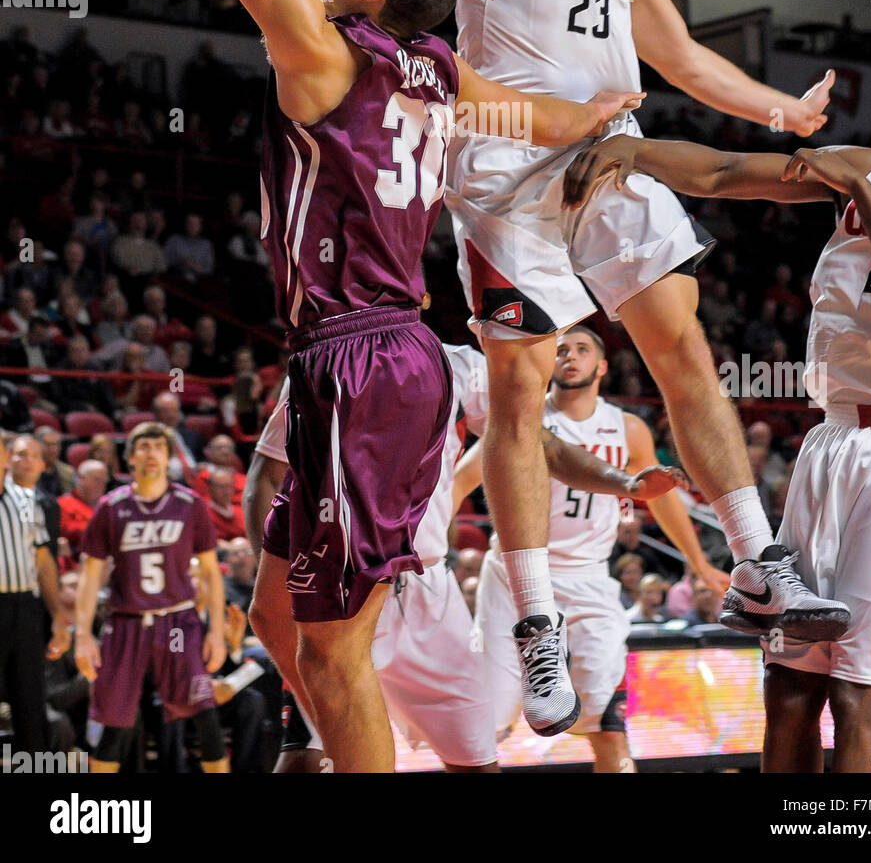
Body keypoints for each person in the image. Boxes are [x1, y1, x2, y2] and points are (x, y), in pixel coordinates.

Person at [307, 0, 841, 735]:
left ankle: (757, 556)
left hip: (603, 152)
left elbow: (682, 55)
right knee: (516, 385)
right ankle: (535, 619)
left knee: (683, 345)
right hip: (503, 159)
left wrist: (784, 110)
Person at [193, 0, 640, 773]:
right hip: (368, 358)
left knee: (339, 655)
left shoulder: (321, 51)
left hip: (366, 360)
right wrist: (584, 110)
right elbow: (519, 108)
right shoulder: (438, 69)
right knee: (277, 624)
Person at [563, 91, 871, 772]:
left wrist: (860, 189)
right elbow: (721, 173)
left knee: (858, 683)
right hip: (829, 442)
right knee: (790, 680)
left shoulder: (864, 178)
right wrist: (637, 152)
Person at [245, 344, 670, 774]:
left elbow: (542, 445)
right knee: (307, 754)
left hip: (428, 585)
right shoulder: (322, 356)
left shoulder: (464, 365)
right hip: (341, 582)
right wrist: (278, 577)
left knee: (476, 758)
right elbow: (268, 472)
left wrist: (626, 484)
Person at [459, 325, 726, 772]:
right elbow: (458, 484)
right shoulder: (522, 418)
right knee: (492, 714)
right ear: (548, 361)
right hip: (515, 577)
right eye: (561, 349)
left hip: (588, 575)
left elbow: (660, 503)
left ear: (602, 366)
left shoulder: (627, 428)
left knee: (605, 720)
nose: (570, 356)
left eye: (583, 349)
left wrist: (698, 563)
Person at [74, 421, 229, 773]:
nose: (151, 454)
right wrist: (83, 634)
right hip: (126, 623)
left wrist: (216, 632)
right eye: (143, 447)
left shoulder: (190, 505)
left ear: (168, 457)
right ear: (129, 458)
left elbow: (210, 575)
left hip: (178, 621)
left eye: (159, 447)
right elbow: (90, 575)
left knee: (205, 716)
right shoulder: (111, 507)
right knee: (114, 723)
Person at [0, 429, 70, 751]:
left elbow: (44, 562)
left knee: (31, 702)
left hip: (26, 608)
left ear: (4, 457)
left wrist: (57, 615)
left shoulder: (28, 501)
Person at [58, 459, 108, 562]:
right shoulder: (63, 504)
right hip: (75, 563)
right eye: (97, 480)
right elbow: (67, 531)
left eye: (104, 481)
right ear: (81, 478)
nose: (101, 485)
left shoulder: (108, 506)